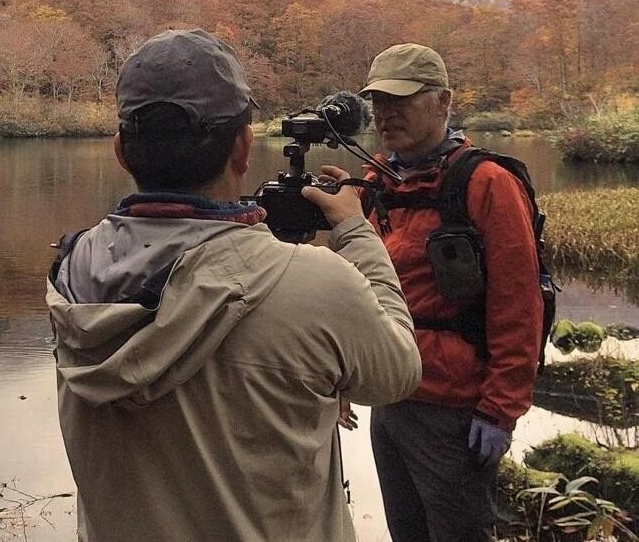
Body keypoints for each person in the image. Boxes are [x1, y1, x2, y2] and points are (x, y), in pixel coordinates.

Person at [46, 28, 421, 542]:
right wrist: (357, 233)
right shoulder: (313, 282)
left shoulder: (72, 273)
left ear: (121, 151)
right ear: (244, 147)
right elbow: (398, 371)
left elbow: (197, 272)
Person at [358, 43, 544, 542]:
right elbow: (355, 292)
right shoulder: (375, 181)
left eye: (401, 100)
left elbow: (519, 304)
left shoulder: (486, 183)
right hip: (390, 394)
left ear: (443, 102)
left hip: (455, 411)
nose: (385, 113)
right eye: (378, 101)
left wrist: (500, 409)